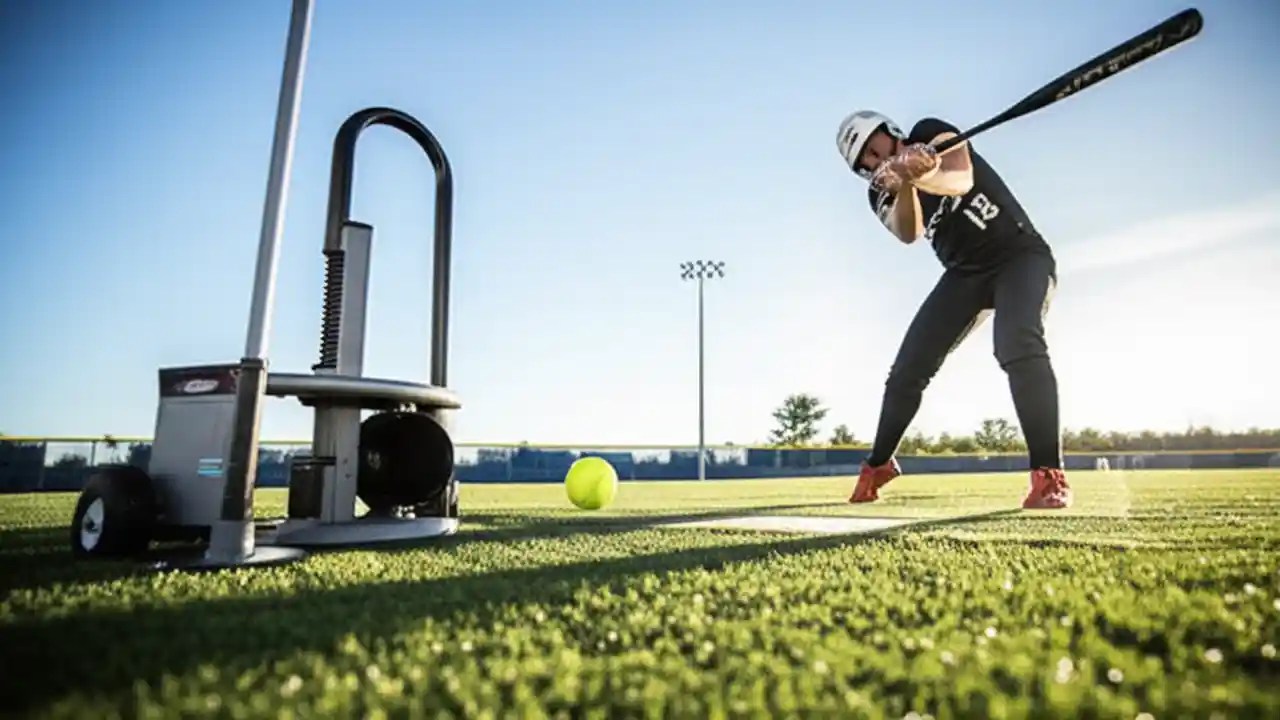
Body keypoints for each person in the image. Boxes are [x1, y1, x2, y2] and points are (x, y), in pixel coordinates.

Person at [834, 110, 1072, 509]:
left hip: (1019, 256)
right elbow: (908, 232)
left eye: (874, 150)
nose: (875, 163)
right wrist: (906, 181)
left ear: (890, 131)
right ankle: (877, 466)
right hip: (966, 274)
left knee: (1016, 342)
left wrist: (923, 171)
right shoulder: (882, 191)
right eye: (866, 164)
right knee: (908, 371)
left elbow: (961, 179)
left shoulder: (930, 132)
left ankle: (1048, 474)